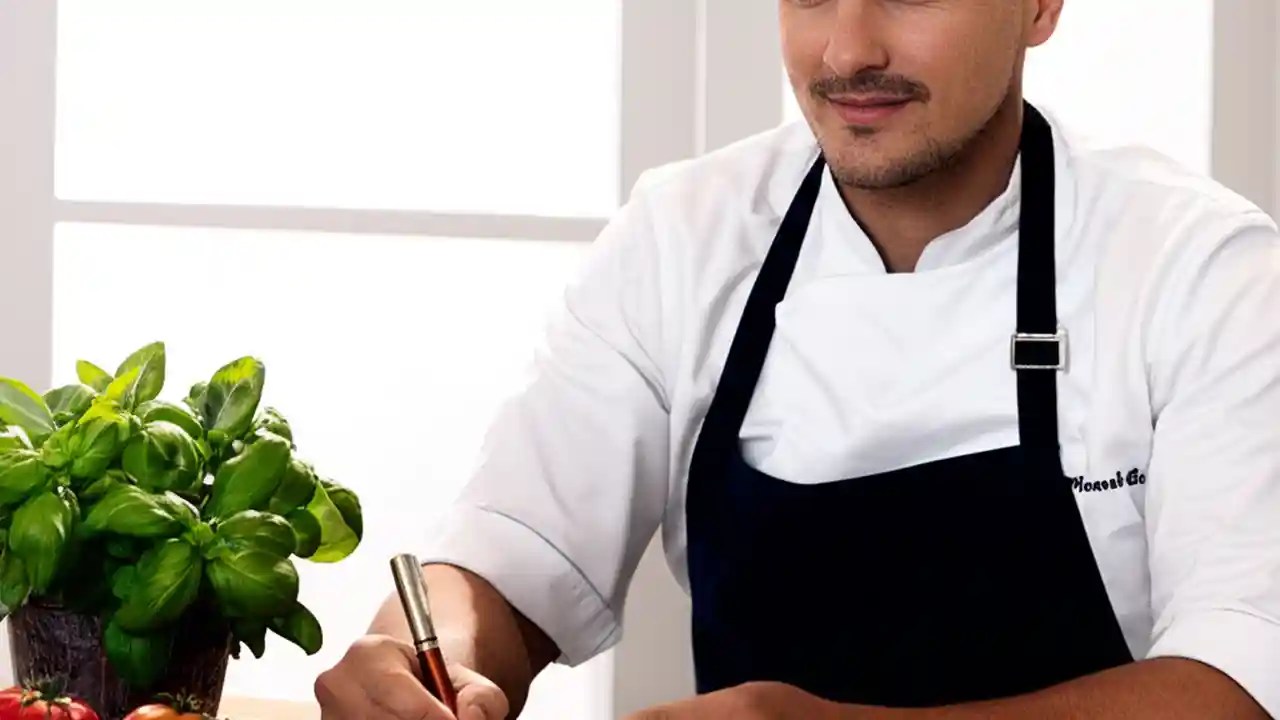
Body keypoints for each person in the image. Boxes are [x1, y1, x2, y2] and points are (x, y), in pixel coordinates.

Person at [316, 1, 1280, 718]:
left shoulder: (1198, 269)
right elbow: (515, 555)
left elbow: (1239, 679)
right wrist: (415, 653)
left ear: (1039, 6)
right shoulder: (683, 234)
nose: (849, 49)